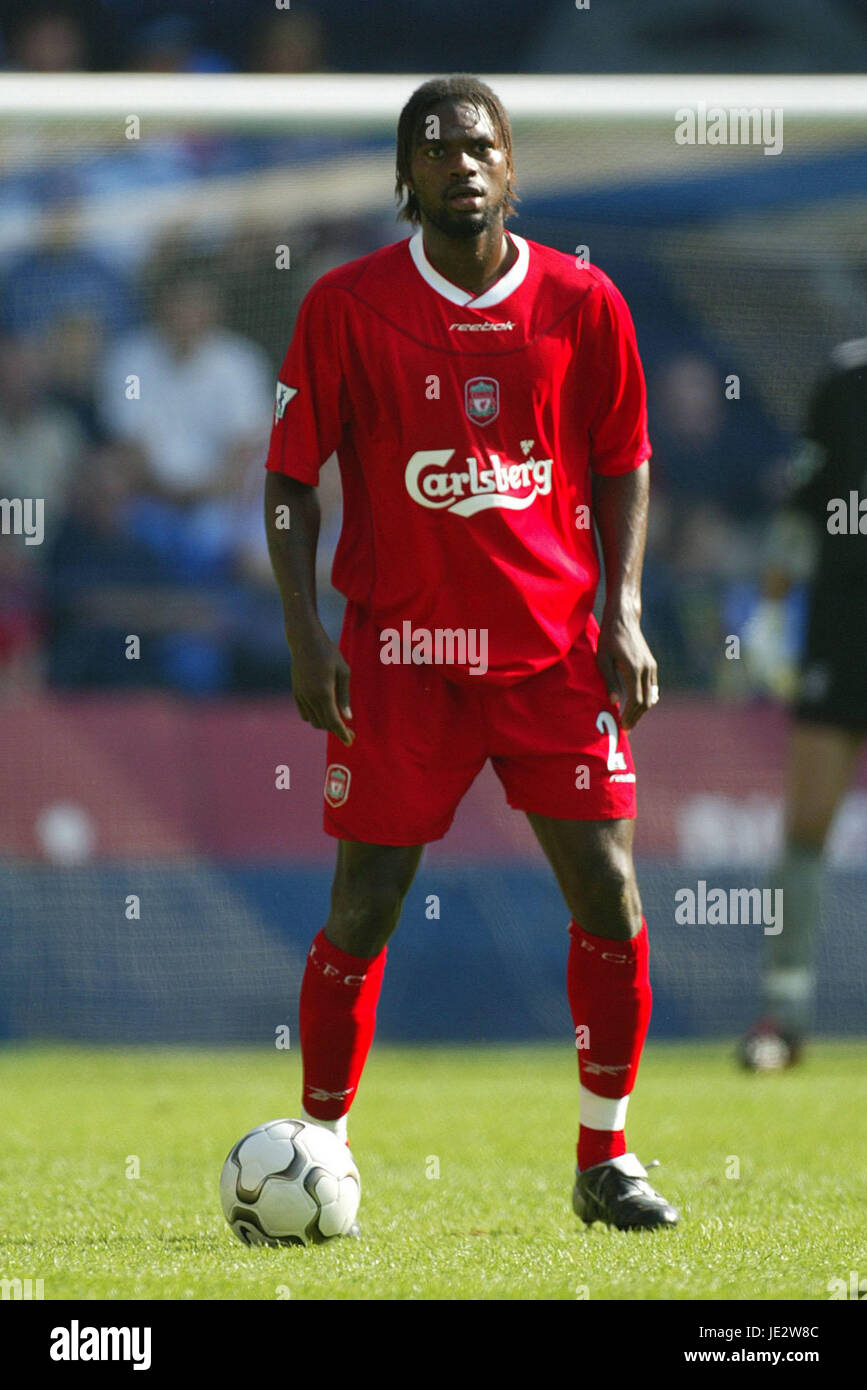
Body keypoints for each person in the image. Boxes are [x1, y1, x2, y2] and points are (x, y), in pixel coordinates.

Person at [264, 75, 678, 1232]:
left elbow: (621, 453)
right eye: (436, 149)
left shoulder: (583, 301)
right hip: (397, 658)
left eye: (481, 147)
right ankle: (321, 1145)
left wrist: (624, 607)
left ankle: (605, 1156)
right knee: (365, 906)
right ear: (405, 177)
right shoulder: (345, 305)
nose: (461, 164)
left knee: (607, 888)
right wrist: (305, 636)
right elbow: (290, 478)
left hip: (550, 653)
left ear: (510, 167)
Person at [740, 333, 867, 1069]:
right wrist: (765, 615)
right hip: (843, 626)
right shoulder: (845, 380)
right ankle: (782, 1017)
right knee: (807, 823)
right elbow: (798, 511)